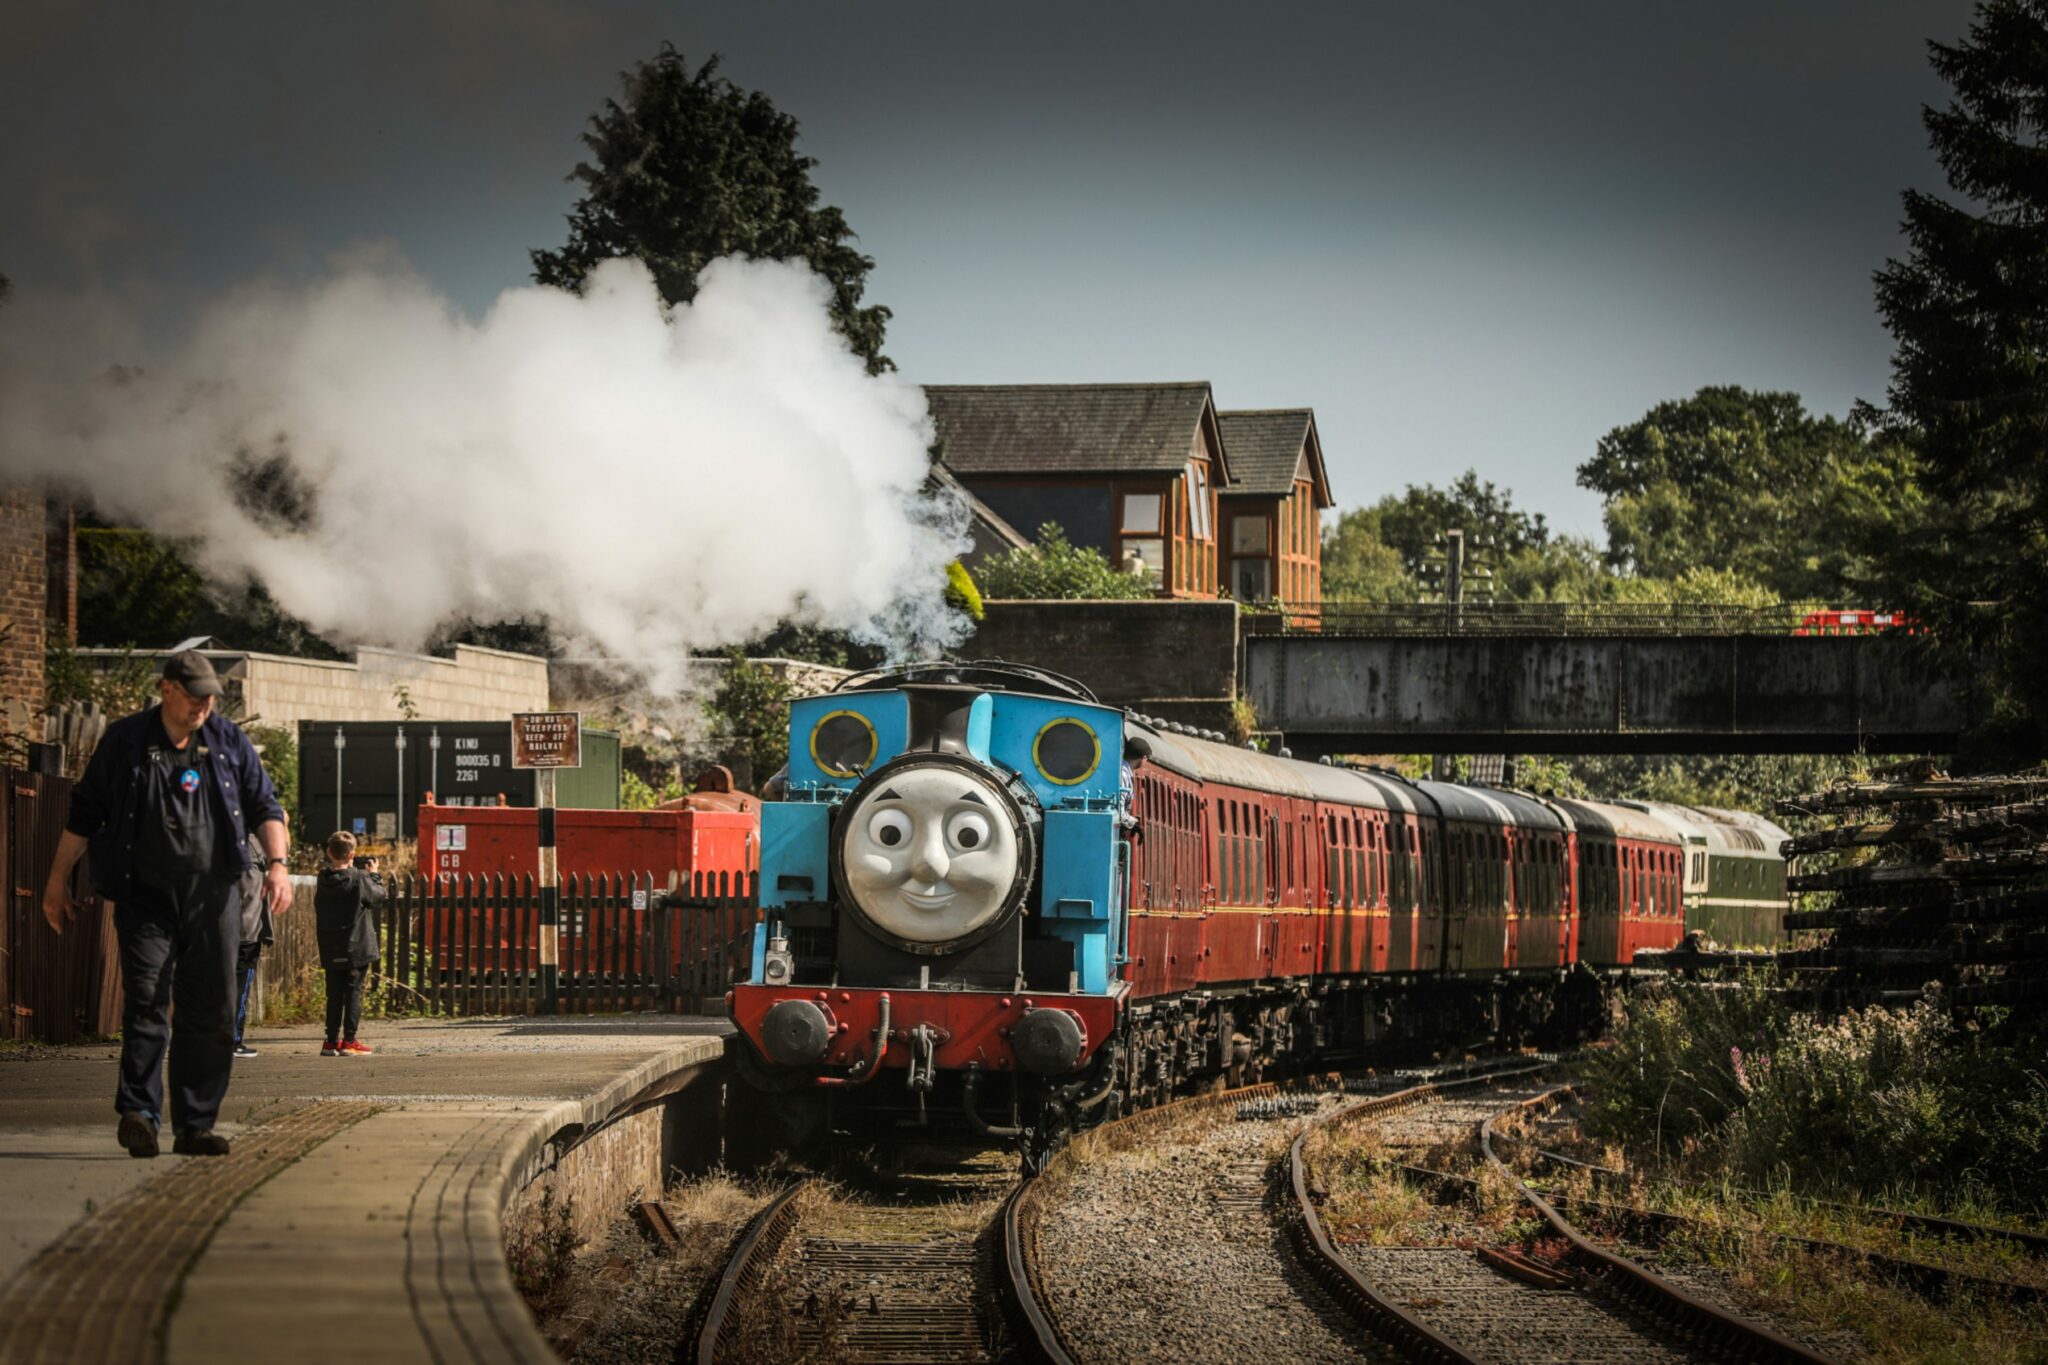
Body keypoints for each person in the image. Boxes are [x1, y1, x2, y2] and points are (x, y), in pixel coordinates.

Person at [41, 650, 292, 1158]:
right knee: (147, 1000)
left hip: (214, 897)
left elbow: (265, 805)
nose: (203, 705)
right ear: (167, 689)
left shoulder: (228, 741)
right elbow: (85, 814)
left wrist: (278, 865)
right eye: (195, 696)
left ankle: (195, 1125)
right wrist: (56, 882)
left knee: (211, 1010)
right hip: (145, 897)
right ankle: (139, 1113)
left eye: (209, 698)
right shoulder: (125, 740)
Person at [314, 832, 385, 1057]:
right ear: (352, 854)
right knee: (353, 993)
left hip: (330, 945)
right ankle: (350, 1040)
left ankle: (330, 1041)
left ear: (329, 852)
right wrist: (374, 875)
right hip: (356, 947)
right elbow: (378, 897)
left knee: (334, 994)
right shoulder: (359, 879)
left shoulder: (322, 879)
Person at [232, 832, 274, 1059]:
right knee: (240, 988)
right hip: (245, 931)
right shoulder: (253, 844)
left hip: (218, 930)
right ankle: (233, 1040)